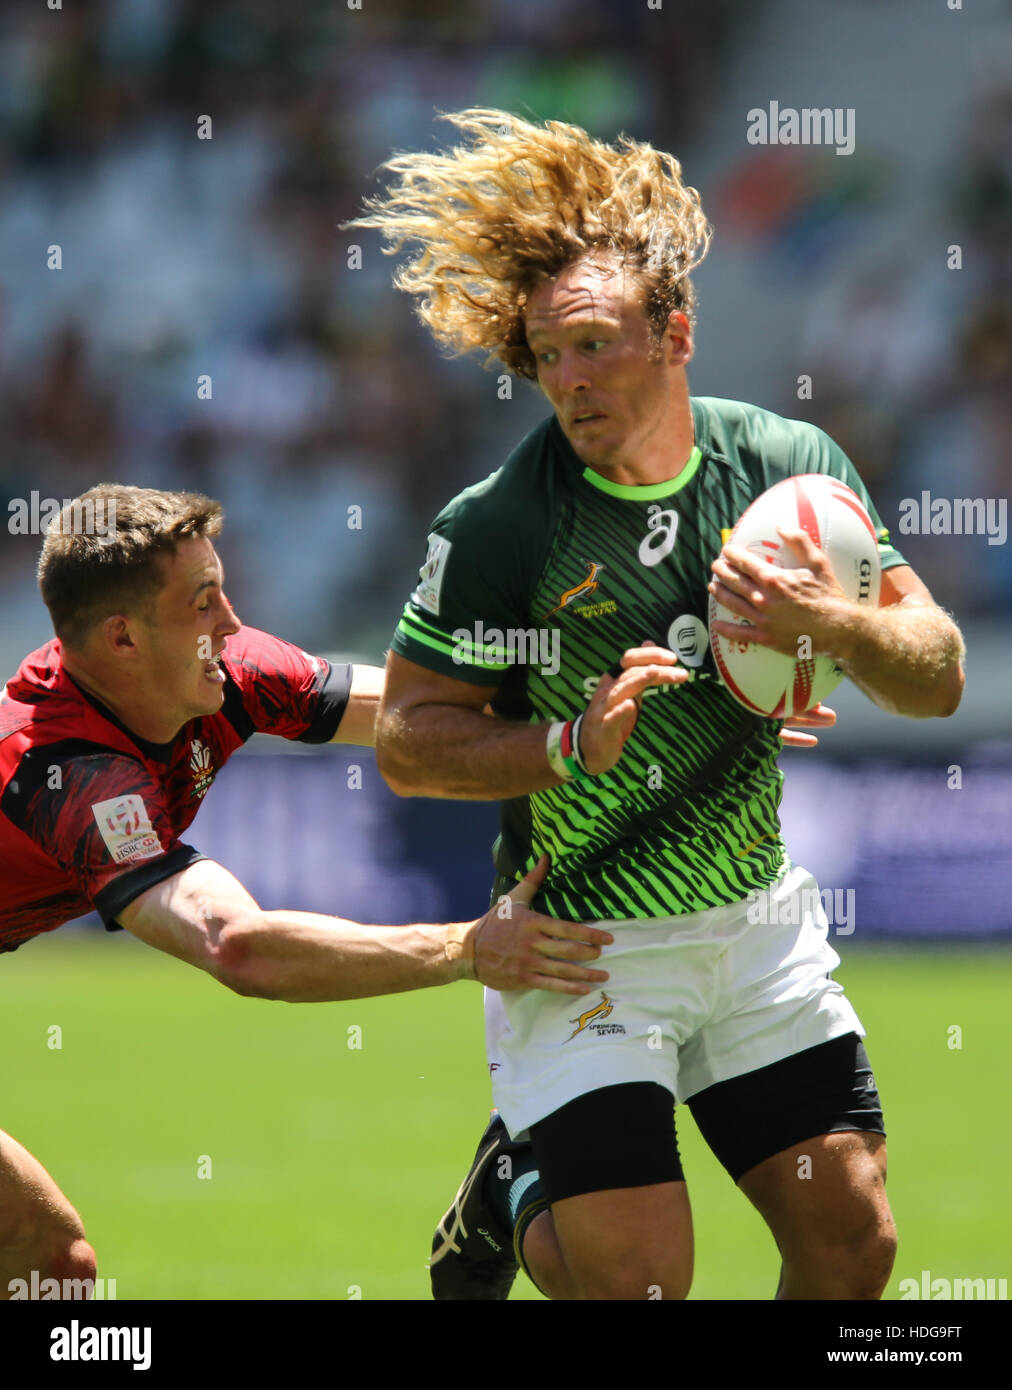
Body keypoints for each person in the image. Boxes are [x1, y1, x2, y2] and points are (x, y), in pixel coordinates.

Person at [349, 109, 966, 1301]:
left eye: (591, 343)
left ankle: (536, 1169)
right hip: (581, 947)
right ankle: (524, 1193)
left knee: (854, 1245)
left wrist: (825, 626)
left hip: (751, 926)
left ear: (674, 331)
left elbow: (933, 671)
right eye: (543, 354)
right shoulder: (500, 526)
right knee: (634, 1283)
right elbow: (408, 744)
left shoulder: (789, 469)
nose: (566, 379)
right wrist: (568, 742)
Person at [0, 483, 612, 1300]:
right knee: (50, 1260)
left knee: (51, 1268)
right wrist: (466, 948)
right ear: (122, 638)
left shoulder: (228, 668)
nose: (231, 620)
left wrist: (635, 721)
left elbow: (414, 715)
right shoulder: (68, 773)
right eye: (205, 600)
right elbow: (239, 948)